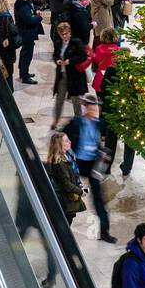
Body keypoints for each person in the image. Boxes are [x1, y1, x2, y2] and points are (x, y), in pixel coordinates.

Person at [62, 92, 114, 242]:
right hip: (77, 163)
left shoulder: (99, 123)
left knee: (99, 198)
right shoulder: (76, 123)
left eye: (96, 109)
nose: (94, 112)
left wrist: (104, 155)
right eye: (91, 109)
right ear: (85, 108)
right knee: (70, 197)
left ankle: (104, 232)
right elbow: (60, 137)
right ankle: (64, 229)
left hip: (92, 164)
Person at [44, 130, 84, 224]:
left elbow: (74, 175)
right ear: (59, 144)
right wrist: (81, 191)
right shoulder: (59, 163)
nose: (69, 142)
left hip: (69, 196)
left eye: (68, 140)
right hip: (64, 200)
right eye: (66, 141)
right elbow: (66, 184)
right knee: (65, 223)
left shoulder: (69, 155)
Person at [14, 0, 42, 84]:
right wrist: (39, 17)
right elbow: (29, 20)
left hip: (28, 32)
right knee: (27, 55)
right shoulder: (21, 6)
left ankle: (23, 72)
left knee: (25, 53)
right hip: (26, 33)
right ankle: (24, 76)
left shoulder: (25, 2)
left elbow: (31, 11)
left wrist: (35, 11)